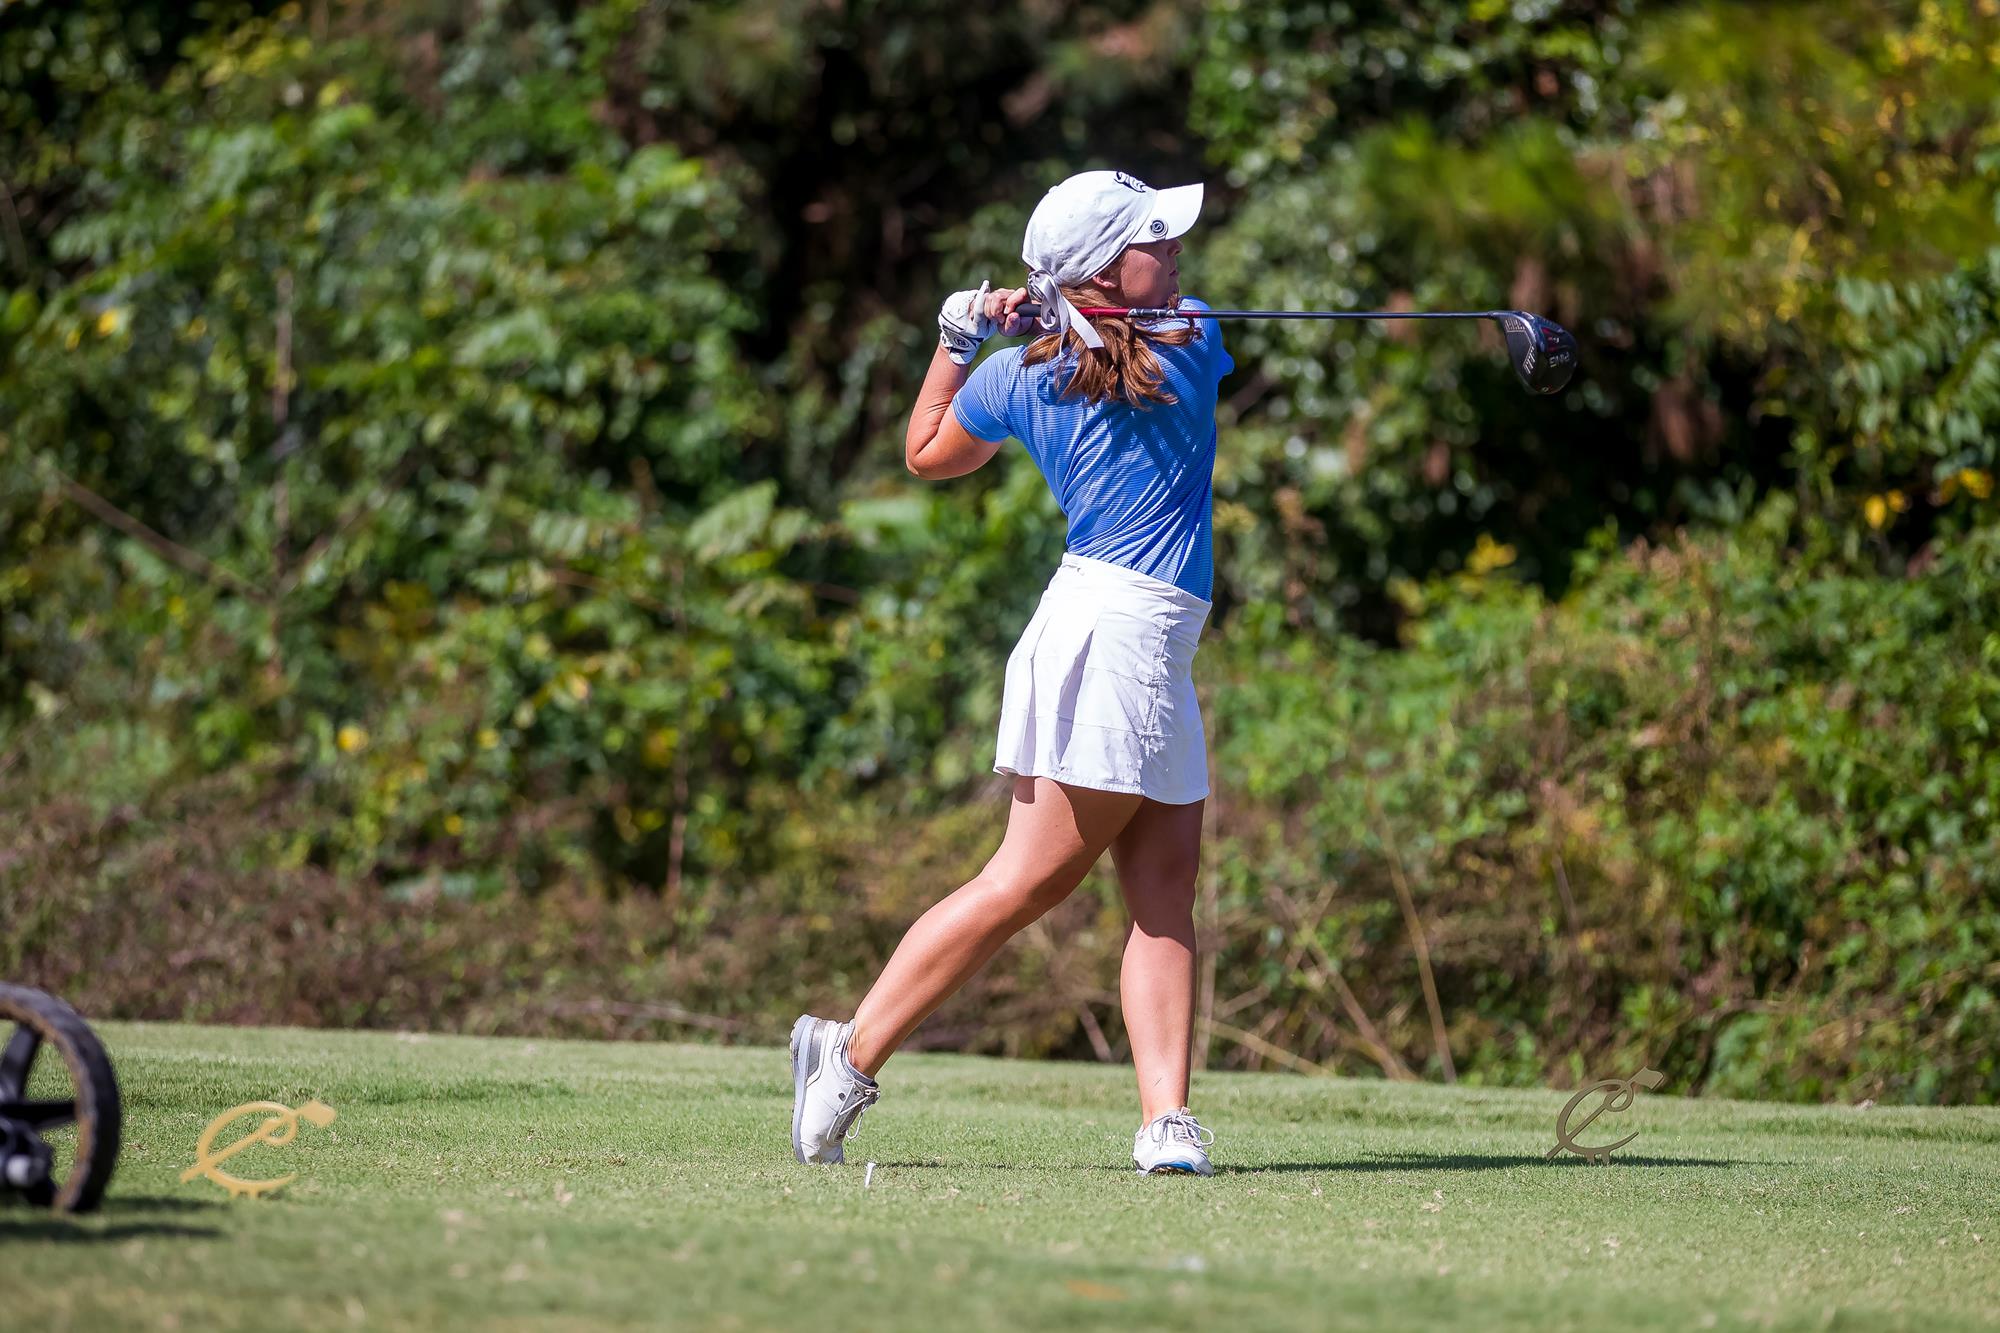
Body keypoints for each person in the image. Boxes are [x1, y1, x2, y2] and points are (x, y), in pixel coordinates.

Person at [790, 169, 1232, 1176]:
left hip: (1137, 635)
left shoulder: (1016, 374)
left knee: (1164, 888)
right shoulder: (1194, 341)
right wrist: (1062, 311)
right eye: (1152, 241)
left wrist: (957, 341)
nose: (1174, 252)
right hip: (1111, 635)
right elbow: (1174, 322)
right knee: (1025, 880)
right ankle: (846, 1054)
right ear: (1104, 273)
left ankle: (1166, 1119)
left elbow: (927, 451)